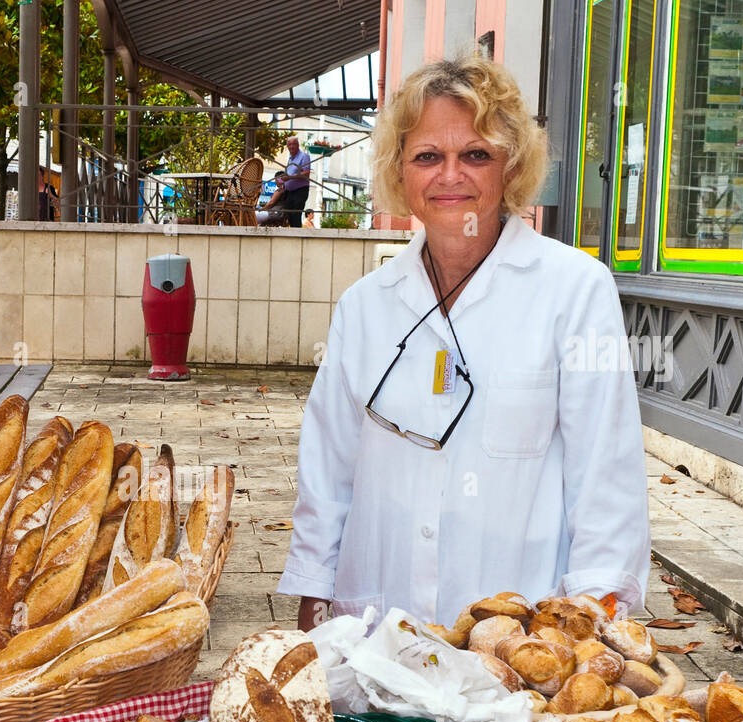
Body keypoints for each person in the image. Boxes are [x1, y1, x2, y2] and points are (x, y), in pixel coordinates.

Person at [278, 55, 650, 632]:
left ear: (512, 166)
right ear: (400, 173)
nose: (450, 176)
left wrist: (591, 630)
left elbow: (606, 481)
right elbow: (327, 476)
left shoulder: (574, 291)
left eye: (476, 154)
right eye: (428, 156)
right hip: (377, 633)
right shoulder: (364, 307)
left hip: (518, 648)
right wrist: (314, 608)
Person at [280, 135, 311, 228]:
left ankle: (297, 235)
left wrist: (289, 177)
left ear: (298, 145)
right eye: (289, 144)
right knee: (288, 214)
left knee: (296, 214)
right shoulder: (290, 159)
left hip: (300, 190)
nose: (291, 146)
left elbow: (306, 173)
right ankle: (293, 234)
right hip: (289, 192)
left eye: (293, 144)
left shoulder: (304, 156)